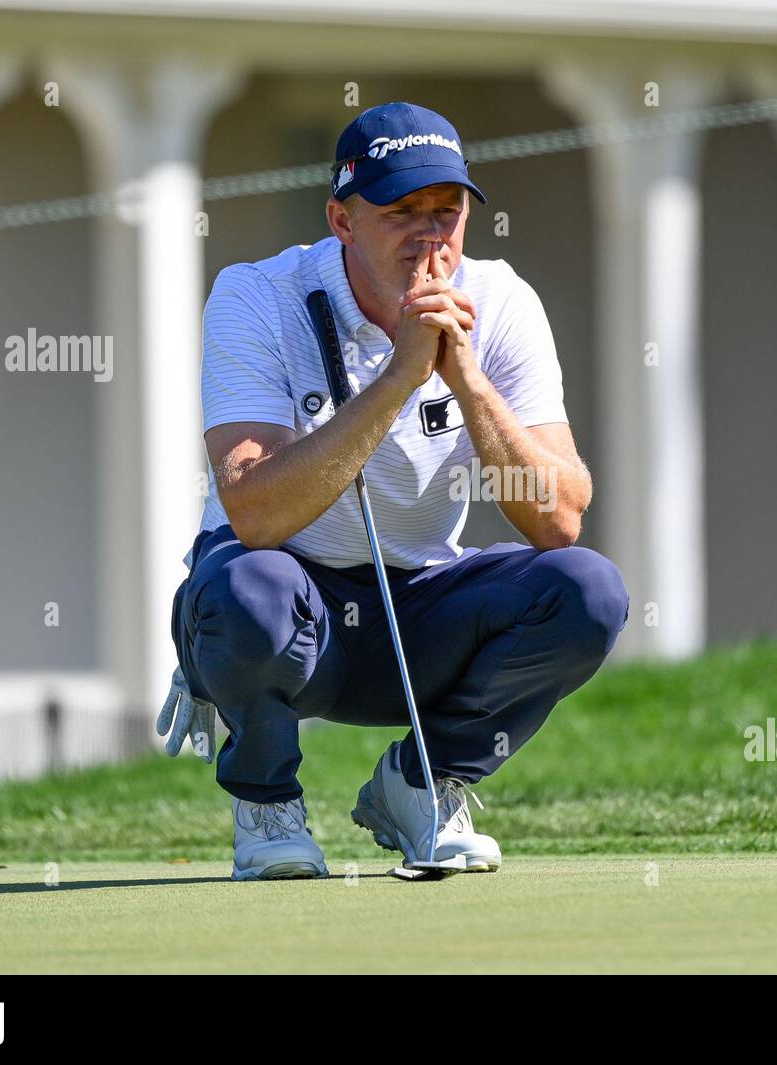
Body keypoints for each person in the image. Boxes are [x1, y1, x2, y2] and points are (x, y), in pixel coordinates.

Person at [157, 101, 630, 880]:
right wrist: (400, 375)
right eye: (402, 211)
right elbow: (256, 511)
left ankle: (423, 783)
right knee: (249, 589)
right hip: (283, 607)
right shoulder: (254, 296)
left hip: (418, 611)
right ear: (342, 221)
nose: (430, 233)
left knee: (588, 591)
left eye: (447, 212)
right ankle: (266, 801)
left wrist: (465, 376)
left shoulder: (502, 301)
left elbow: (559, 519)